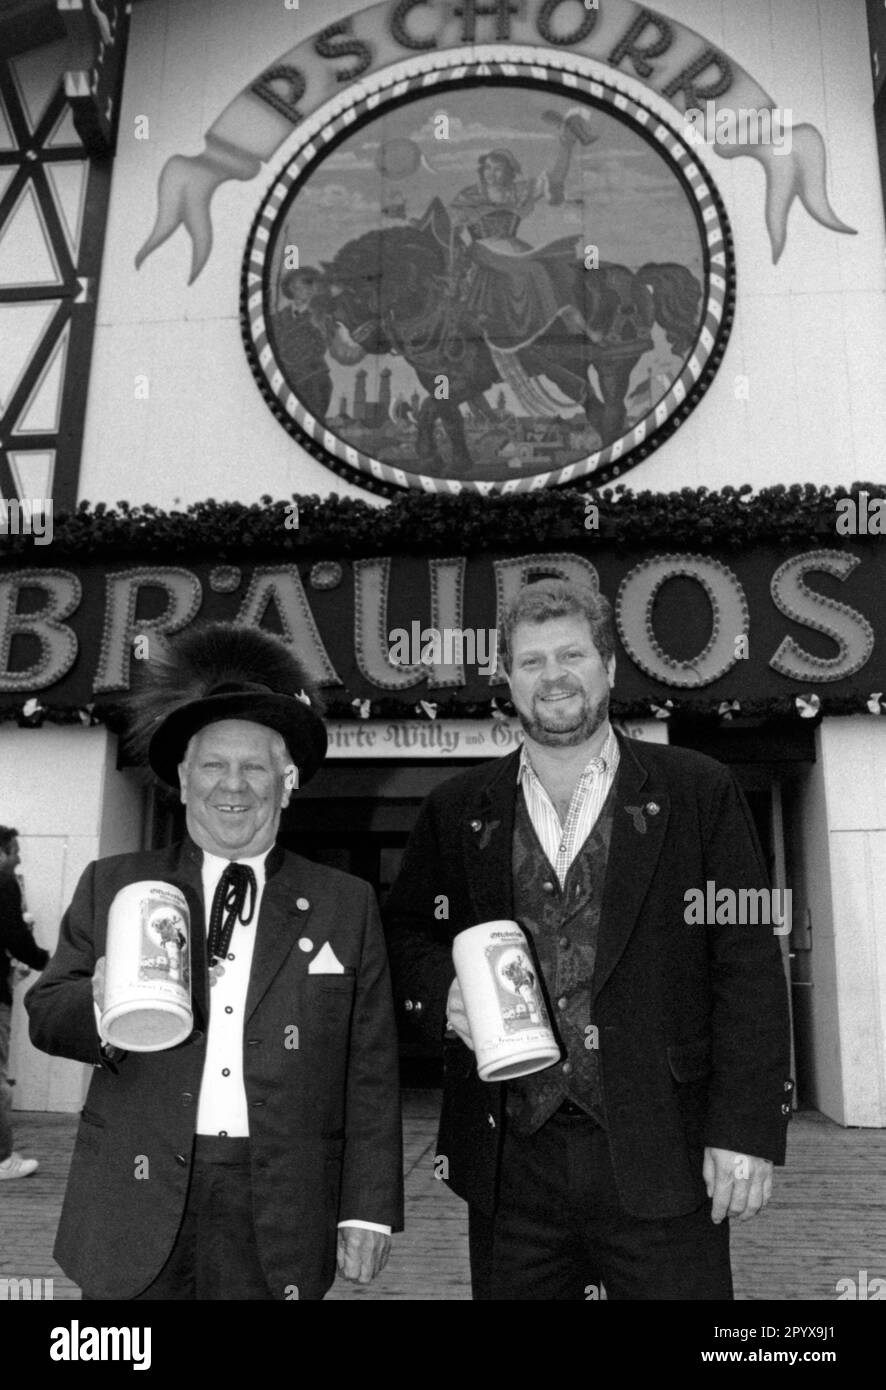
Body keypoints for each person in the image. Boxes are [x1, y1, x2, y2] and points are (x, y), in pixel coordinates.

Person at [384, 579, 793, 1300]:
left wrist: (748, 1128)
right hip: (511, 1162)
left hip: (664, 1150)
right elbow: (407, 932)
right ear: (507, 679)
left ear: (608, 663)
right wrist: (441, 990)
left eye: (571, 654)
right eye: (532, 661)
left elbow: (748, 965)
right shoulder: (457, 809)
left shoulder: (701, 790)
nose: (554, 677)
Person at [27, 622, 403, 1300]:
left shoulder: (343, 904)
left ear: (286, 782)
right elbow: (46, 1013)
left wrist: (367, 1206)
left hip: (278, 1204)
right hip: (133, 1199)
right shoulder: (113, 884)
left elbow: (370, 1071)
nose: (234, 786)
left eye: (255, 767)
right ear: (182, 777)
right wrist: (99, 1005)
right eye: (213, 765)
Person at [449, 115, 595, 352]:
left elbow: (554, 178)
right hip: (484, 249)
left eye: (498, 169)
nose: (491, 173)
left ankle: (572, 316)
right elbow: (450, 229)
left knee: (557, 264)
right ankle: (556, 319)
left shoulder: (518, 191)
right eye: (488, 168)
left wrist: (565, 146)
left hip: (513, 247)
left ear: (510, 172)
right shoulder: (469, 196)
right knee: (535, 269)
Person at [0, 827, 49, 1180]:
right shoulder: (3, 882)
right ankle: (2, 1159)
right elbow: (14, 934)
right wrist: (47, 962)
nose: (18, 858)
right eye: (14, 850)